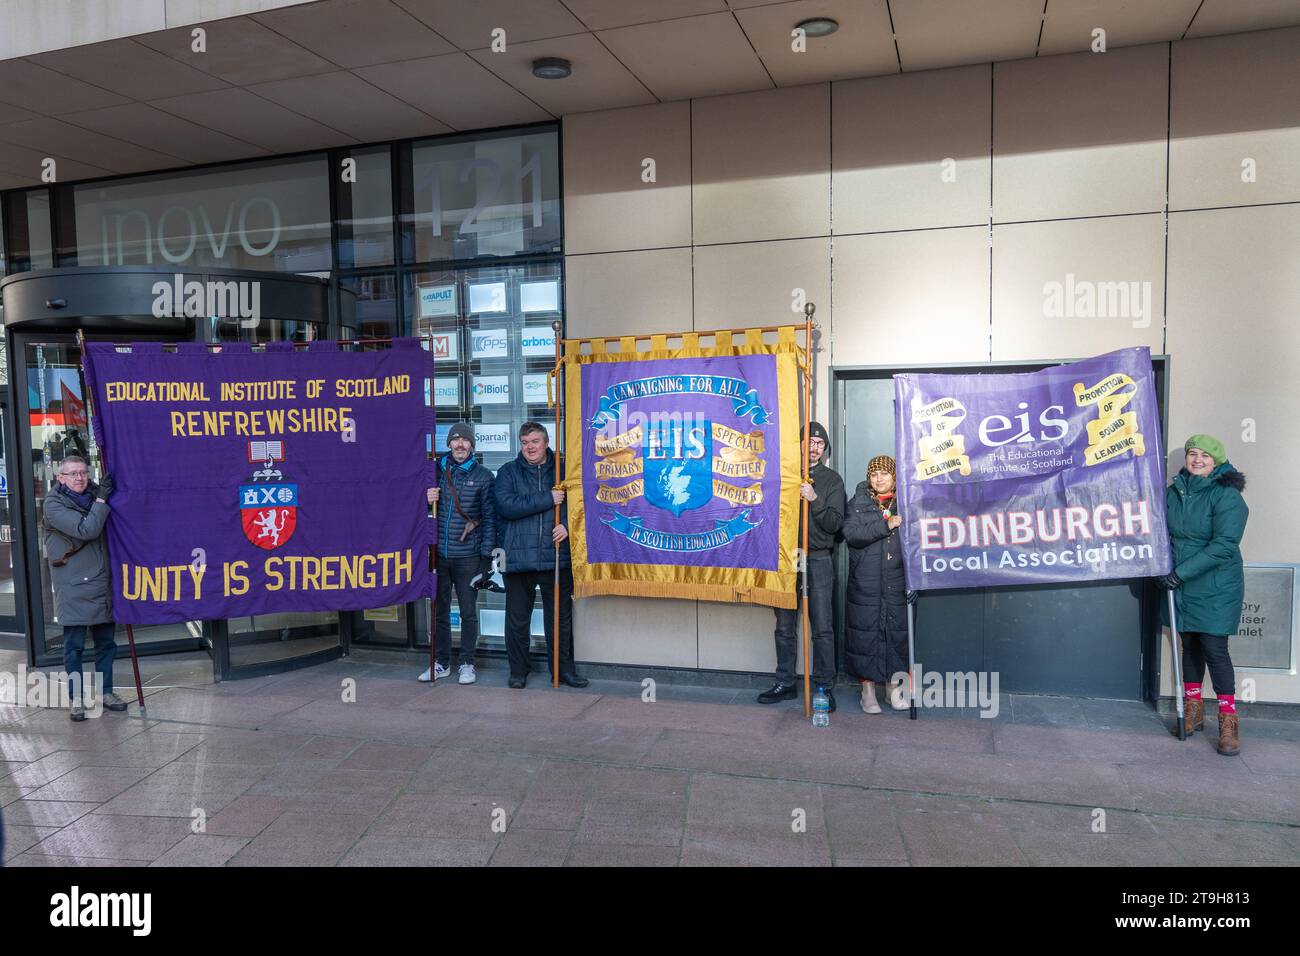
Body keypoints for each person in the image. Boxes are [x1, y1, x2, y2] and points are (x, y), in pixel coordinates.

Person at [1159, 435, 1248, 755]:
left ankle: (1228, 719)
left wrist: (1179, 573)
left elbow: (1224, 546)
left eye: (1204, 456)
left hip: (1215, 585)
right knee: (1190, 644)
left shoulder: (1226, 496)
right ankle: (1194, 710)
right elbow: (1159, 530)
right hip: (1181, 582)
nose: (1197, 460)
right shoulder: (1174, 493)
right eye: (1191, 454)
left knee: (1214, 646)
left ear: (1217, 461)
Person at [494, 422, 587, 689]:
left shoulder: (564, 470)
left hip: (555, 555)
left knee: (559, 620)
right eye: (525, 442)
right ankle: (518, 671)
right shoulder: (508, 472)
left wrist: (568, 525)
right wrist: (548, 498)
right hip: (518, 557)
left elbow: (582, 504)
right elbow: (506, 506)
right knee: (517, 620)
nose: (530, 447)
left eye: (535, 441)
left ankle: (562, 670)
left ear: (546, 443)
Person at [759, 421, 845, 709]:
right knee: (784, 625)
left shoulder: (832, 480)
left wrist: (814, 499)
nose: (814, 447)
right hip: (787, 558)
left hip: (818, 558)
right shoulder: (784, 477)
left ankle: (824, 686)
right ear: (799, 445)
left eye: (820, 443)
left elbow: (835, 524)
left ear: (824, 449)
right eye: (809, 441)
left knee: (822, 626)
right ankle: (785, 682)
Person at [42, 455, 127, 720]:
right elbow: (87, 529)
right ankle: (76, 698)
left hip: (101, 581)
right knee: (74, 646)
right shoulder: (53, 505)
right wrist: (102, 500)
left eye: (83, 472)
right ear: (61, 478)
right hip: (73, 586)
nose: (79, 478)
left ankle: (106, 692)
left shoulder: (92, 494)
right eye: (72, 474)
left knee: (106, 644)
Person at [419, 423, 496, 685]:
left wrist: (486, 558)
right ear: (449, 444)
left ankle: (466, 662)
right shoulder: (434, 472)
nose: (460, 444)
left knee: (467, 612)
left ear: (472, 445)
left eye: (465, 440)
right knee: (439, 611)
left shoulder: (485, 476)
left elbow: (489, 520)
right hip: (438, 554)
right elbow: (411, 508)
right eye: (456, 440)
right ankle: (441, 662)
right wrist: (425, 498)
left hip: (468, 556)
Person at [842, 455, 916, 714]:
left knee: (895, 636)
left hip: (897, 582)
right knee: (865, 636)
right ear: (868, 479)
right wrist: (886, 525)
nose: (879, 479)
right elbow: (851, 534)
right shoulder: (858, 503)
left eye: (884, 474)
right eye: (874, 475)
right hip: (866, 583)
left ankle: (893, 689)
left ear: (894, 476)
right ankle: (867, 692)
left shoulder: (906, 502)